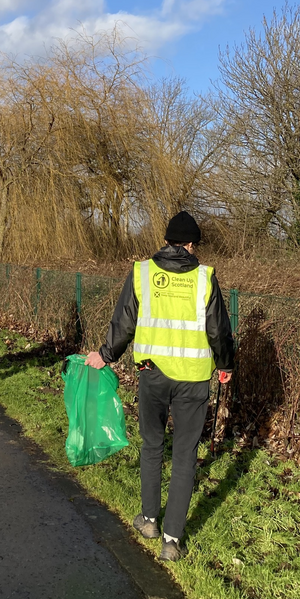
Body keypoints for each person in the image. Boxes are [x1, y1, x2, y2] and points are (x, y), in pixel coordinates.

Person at [84, 211, 234, 561]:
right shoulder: (204, 278)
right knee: (184, 455)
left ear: (166, 240)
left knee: (152, 444)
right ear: (192, 243)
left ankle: (149, 520)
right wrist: (225, 365)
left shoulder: (142, 273)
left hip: (153, 374)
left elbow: (124, 322)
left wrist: (106, 354)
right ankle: (172, 541)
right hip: (194, 379)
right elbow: (218, 331)